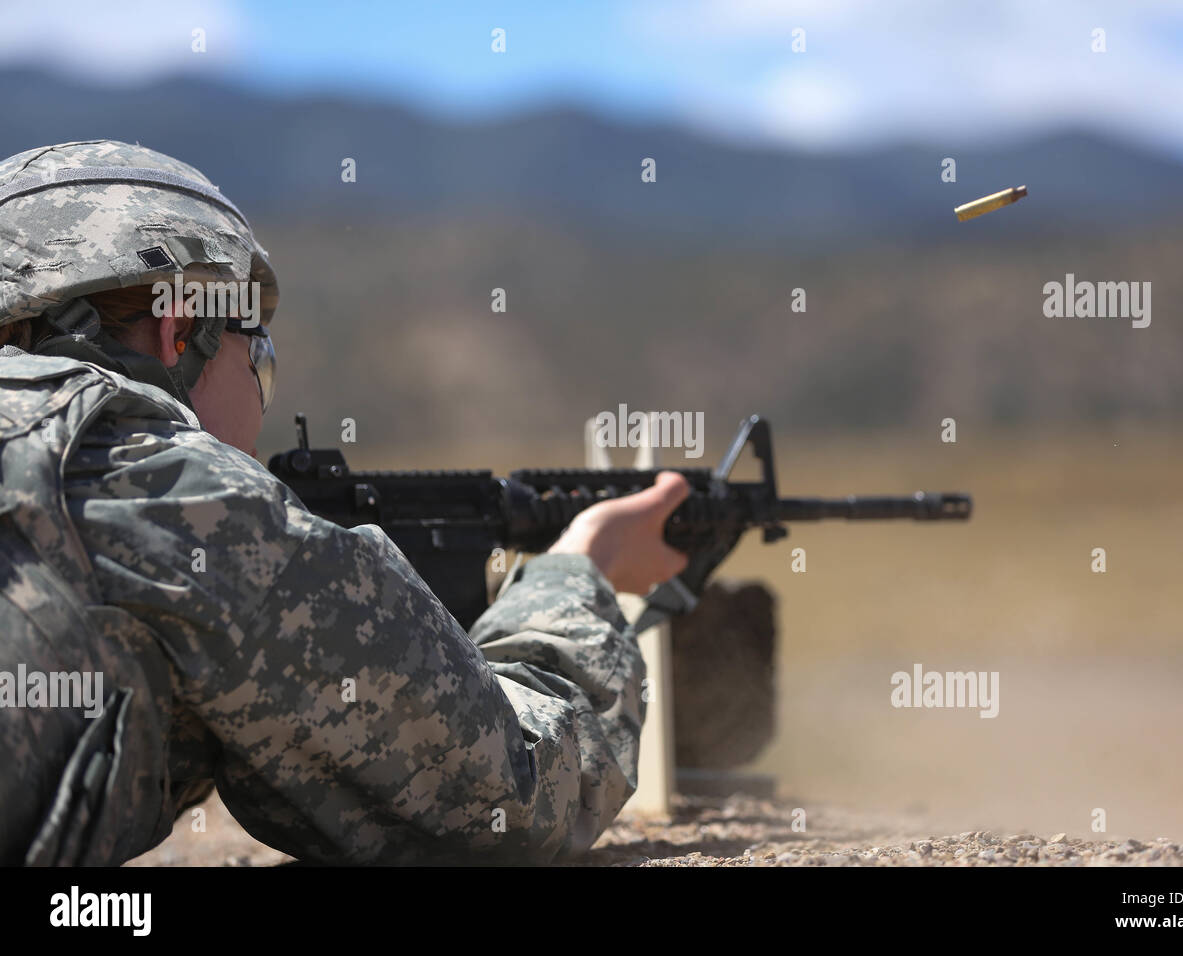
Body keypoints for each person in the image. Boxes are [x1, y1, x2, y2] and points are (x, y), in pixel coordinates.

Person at [0, 139, 690, 865]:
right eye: (255, 352)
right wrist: (583, 567)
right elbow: (517, 796)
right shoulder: (170, 489)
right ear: (180, 334)